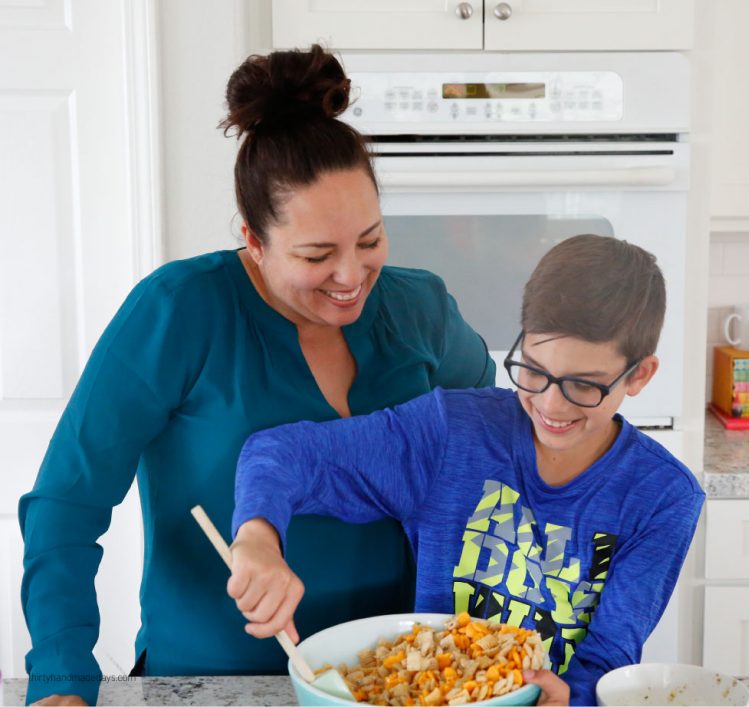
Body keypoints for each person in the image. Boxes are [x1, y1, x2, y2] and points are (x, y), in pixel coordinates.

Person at [17, 45, 495, 706]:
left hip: (401, 679)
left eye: (371, 239)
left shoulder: (422, 308)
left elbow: (494, 454)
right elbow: (66, 504)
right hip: (211, 683)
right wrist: (61, 680)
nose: (352, 276)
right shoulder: (177, 310)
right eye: (317, 254)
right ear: (254, 239)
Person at [229, 235, 705, 706]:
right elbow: (284, 453)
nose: (549, 404)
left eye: (583, 385)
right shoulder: (451, 434)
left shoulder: (663, 497)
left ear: (639, 374)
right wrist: (258, 536)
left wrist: (571, 696)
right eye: (533, 370)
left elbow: (608, 656)